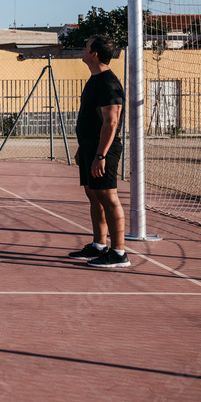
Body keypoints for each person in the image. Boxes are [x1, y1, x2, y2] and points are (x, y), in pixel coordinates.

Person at [68, 35, 129, 268]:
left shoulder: (109, 83)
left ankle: (119, 253)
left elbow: (111, 122)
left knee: (108, 197)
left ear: (94, 54)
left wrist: (100, 155)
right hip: (90, 146)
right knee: (93, 194)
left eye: (86, 47)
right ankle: (99, 245)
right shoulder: (95, 79)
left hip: (104, 149)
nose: (83, 50)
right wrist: (83, 148)